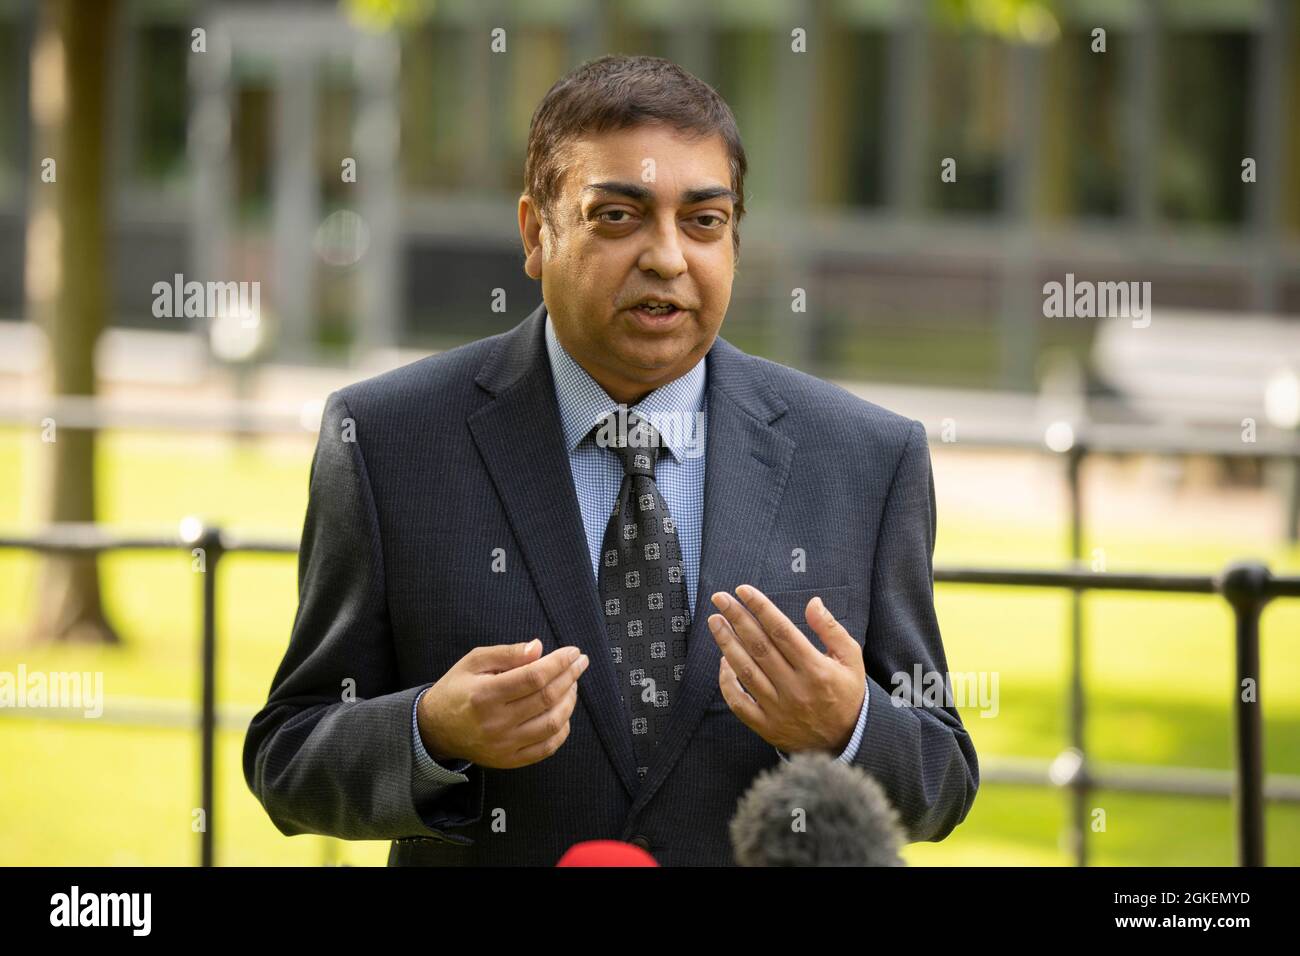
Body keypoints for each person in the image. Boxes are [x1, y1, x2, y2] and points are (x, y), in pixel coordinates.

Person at [243, 54, 978, 866]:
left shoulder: (867, 460)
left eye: (703, 221)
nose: (667, 257)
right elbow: (291, 755)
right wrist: (431, 731)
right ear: (536, 232)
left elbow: (942, 777)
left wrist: (849, 728)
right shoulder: (385, 442)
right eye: (620, 217)